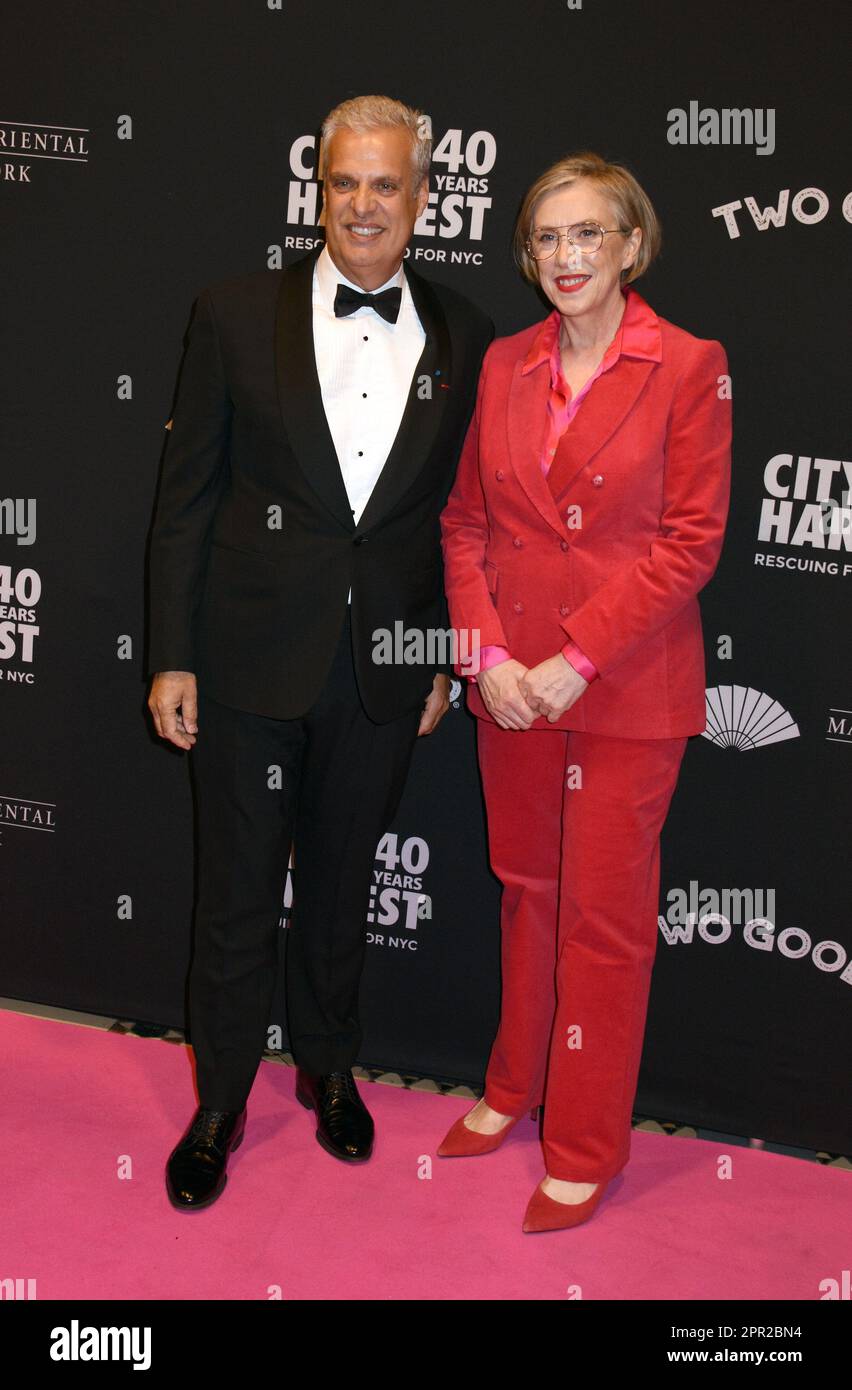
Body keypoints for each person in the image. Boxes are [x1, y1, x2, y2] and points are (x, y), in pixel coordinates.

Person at [146, 94, 493, 1210]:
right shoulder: (232, 312)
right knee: (236, 895)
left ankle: (330, 1068)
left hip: (382, 667)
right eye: (343, 182)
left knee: (344, 888)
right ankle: (220, 1101)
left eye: (385, 184)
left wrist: (439, 653)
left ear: (423, 199)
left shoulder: (465, 333)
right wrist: (171, 653)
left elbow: (454, 517)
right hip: (244, 662)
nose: (361, 204)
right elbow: (186, 498)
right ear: (319, 188)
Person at [437, 152, 731, 1232]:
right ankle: (515, 1084)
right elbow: (464, 524)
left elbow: (690, 542)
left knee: (603, 923)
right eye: (548, 239)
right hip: (512, 686)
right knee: (527, 890)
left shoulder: (690, 364)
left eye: (588, 234)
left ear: (631, 245)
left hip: (625, 689)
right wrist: (487, 656)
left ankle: (586, 1142)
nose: (567, 256)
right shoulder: (507, 362)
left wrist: (575, 655)